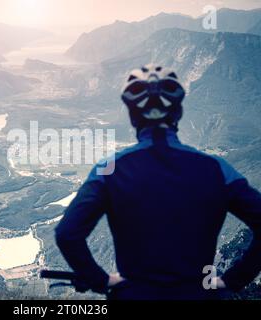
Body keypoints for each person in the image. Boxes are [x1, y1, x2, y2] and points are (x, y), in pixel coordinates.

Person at [55, 64, 261, 300]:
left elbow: (67, 234)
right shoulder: (217, 169)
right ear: (178, 112)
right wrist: (232, 281)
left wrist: (100, 280)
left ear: (133, 117)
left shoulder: (109, 169)